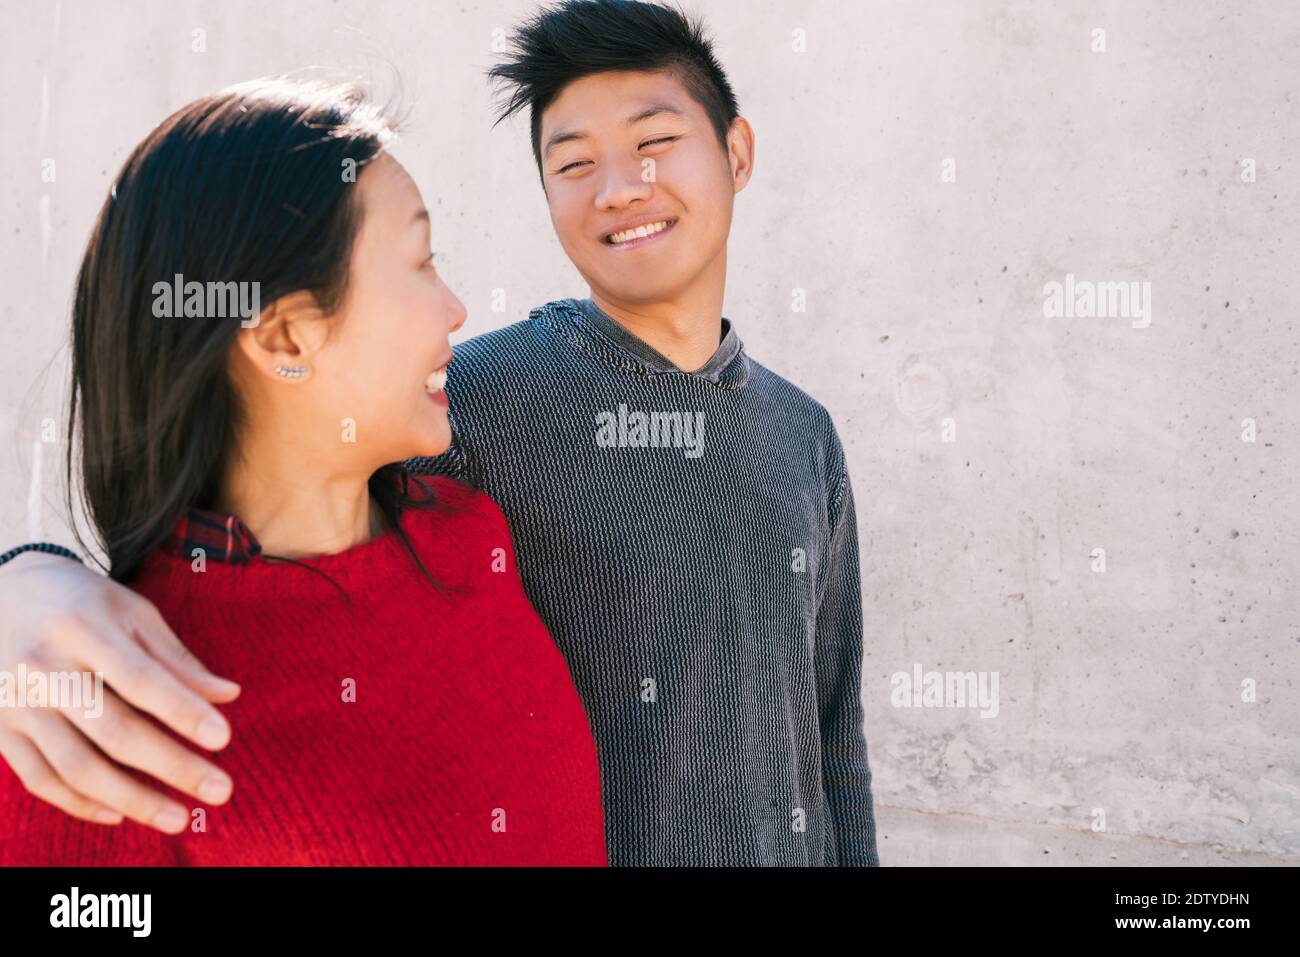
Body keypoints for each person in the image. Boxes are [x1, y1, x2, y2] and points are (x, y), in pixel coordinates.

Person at [0, 0, 880, 866]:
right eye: (573, 162)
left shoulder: (797, 436)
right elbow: (267, 486)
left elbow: (833, 730)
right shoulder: (471, 408)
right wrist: (24, 577)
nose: (620, 188)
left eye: (655, 144)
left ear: (737, 152)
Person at [0, 77, 607, 866]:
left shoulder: (469, 536)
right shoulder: (106, 715)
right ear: (285, 337)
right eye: (421, 262)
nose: (455, 307)